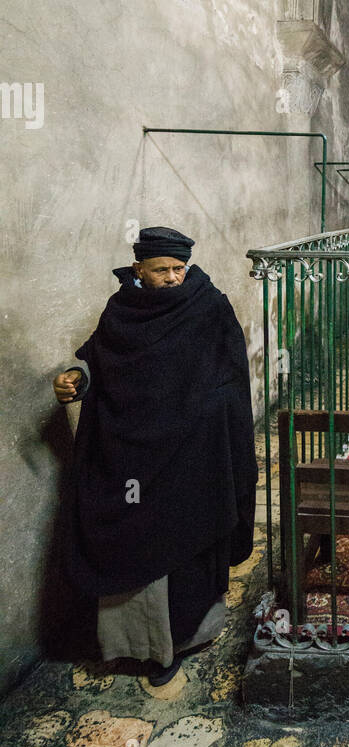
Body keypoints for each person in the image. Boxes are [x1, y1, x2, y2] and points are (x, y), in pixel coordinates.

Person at [54, 226, 258, 686]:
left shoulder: (208, 306)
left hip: (191, 453)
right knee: (131, 537)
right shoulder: (120, 310)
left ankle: (178, 643)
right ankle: (127, 646)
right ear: (138, 271)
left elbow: (230, 381)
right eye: (161, 269)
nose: (171, 277)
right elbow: (102, 365)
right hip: (129, 453)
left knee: (183, 541)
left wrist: (203, 421)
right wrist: (76, 379)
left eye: (178, 269)